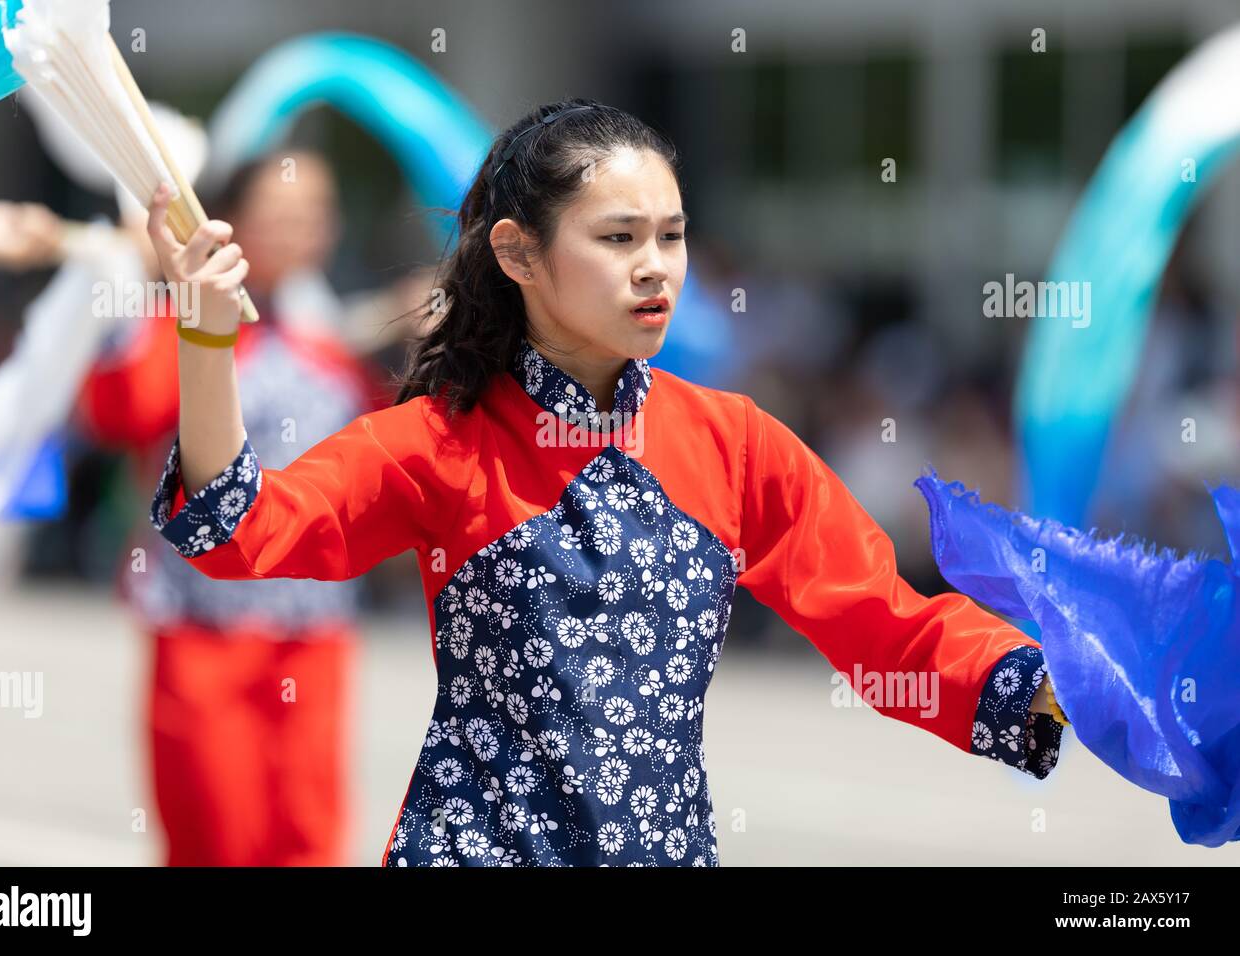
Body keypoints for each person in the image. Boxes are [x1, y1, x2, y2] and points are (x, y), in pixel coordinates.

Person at [142, 98, 1069, 867]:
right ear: (518, 254)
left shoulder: (732, 441)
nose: (655, 266)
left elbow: (886, 624)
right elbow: (240, 530)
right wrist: (205, 339)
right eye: (618, 236)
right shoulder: (438, 443)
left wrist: (1054, 680)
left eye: (671, 235)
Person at [74, 150, 385, 866]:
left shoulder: (336, 344)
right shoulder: (185, 323)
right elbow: (120, 410)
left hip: (314, 631)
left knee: (306, 834)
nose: (296, 232)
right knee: (214, 831)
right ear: (233, 219)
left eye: (312, 217)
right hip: (202, 627)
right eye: (278, 215)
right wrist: (158, 294)